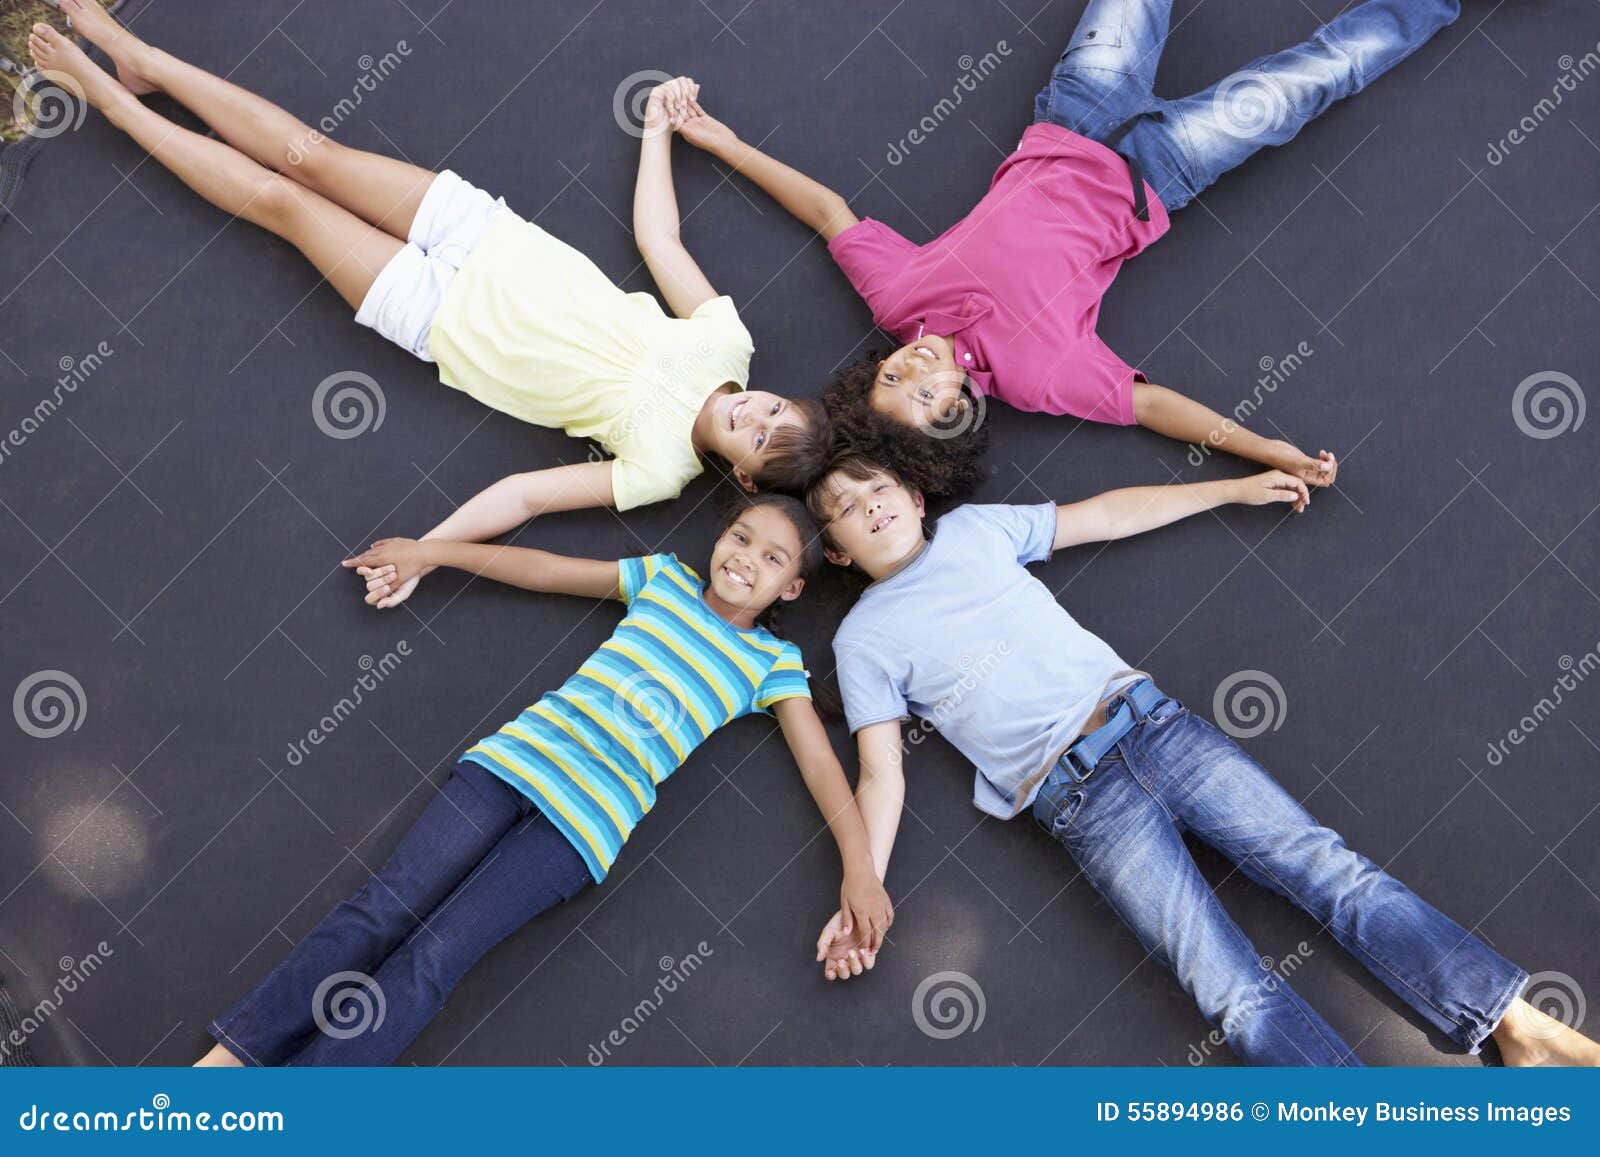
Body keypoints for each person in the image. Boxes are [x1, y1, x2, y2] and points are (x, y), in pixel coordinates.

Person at [804, 451, 1599, 1066]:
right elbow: (882, 771)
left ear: (912, 495)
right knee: (1225, 985)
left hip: (1155, 726)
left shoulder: (976, 530)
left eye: (874, 489)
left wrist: (1228, 488)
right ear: (835, 551)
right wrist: (860, 881)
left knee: (1329, 868)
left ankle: (1516, 1023)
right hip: (1080, 799)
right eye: (841, 510)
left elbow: (1106, 514)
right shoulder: (863, 640)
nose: (864, 508)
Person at [27, 8, 831, 613]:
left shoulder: (663, 470)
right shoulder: (728, 343)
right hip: (487, 234)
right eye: (774, 408)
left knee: (282, 202)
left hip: (435, 316)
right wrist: (656, 130)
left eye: (762, 439)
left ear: (744, 473)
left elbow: (524, 494)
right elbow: (660, 241)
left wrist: (432, 549)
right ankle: (142, 62)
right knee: (316, 154)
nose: (755, 415)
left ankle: (106, 98)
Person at [194, 492, 890, 1065]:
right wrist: (429, 552)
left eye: (771, 559)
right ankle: (232, 1059)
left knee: (434, 957)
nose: (745, 559)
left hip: (578, 831)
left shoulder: (771, 663)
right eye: (741, 537)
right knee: (382, 908)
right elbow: (545, 569)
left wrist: (860, 870)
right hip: (507, 769)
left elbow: (823, 767)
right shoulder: (664, 580)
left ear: (791, 587)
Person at [672, 1, 1463, 497]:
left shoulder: (899, 300)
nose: (909, 366)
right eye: (917, 392)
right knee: (1321, 76)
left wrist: (722, 141)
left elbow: (827, 210)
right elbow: (1152, 407)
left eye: (891, 372)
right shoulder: (1038, 375)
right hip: (1168, 165)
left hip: (1082, 105)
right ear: (952, 409)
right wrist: (1265, 448)